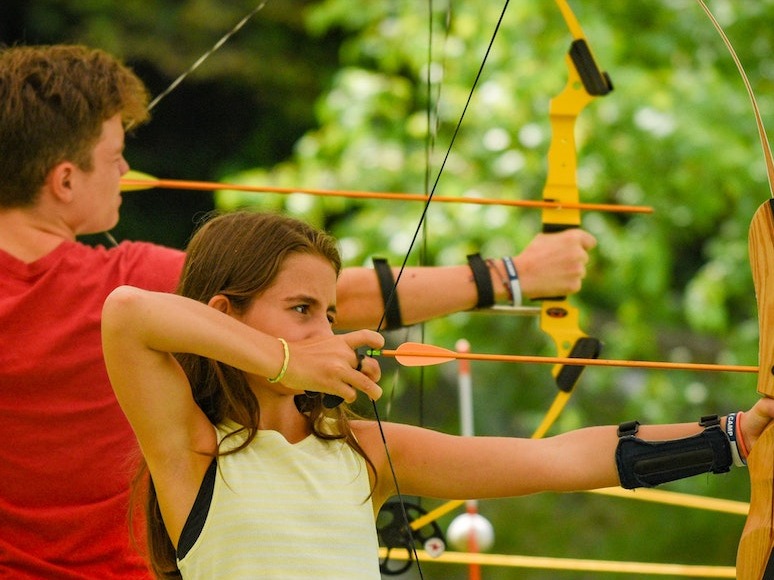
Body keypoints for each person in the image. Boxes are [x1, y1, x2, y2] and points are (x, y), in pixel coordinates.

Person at [0, 44, 596, 579]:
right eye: (115, 155)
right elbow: (333, 298)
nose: (125, 170)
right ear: (65, 181)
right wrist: (514, 275)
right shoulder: (125, 279)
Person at [102, 210, 774, 579]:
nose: (326, 332)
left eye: (330, 315)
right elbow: (128, 313)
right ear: (224, 313)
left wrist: (733, 437)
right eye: (301, 309)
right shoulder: (194, 451)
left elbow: (557, 459)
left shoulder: (363, 451)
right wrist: (286, 361)